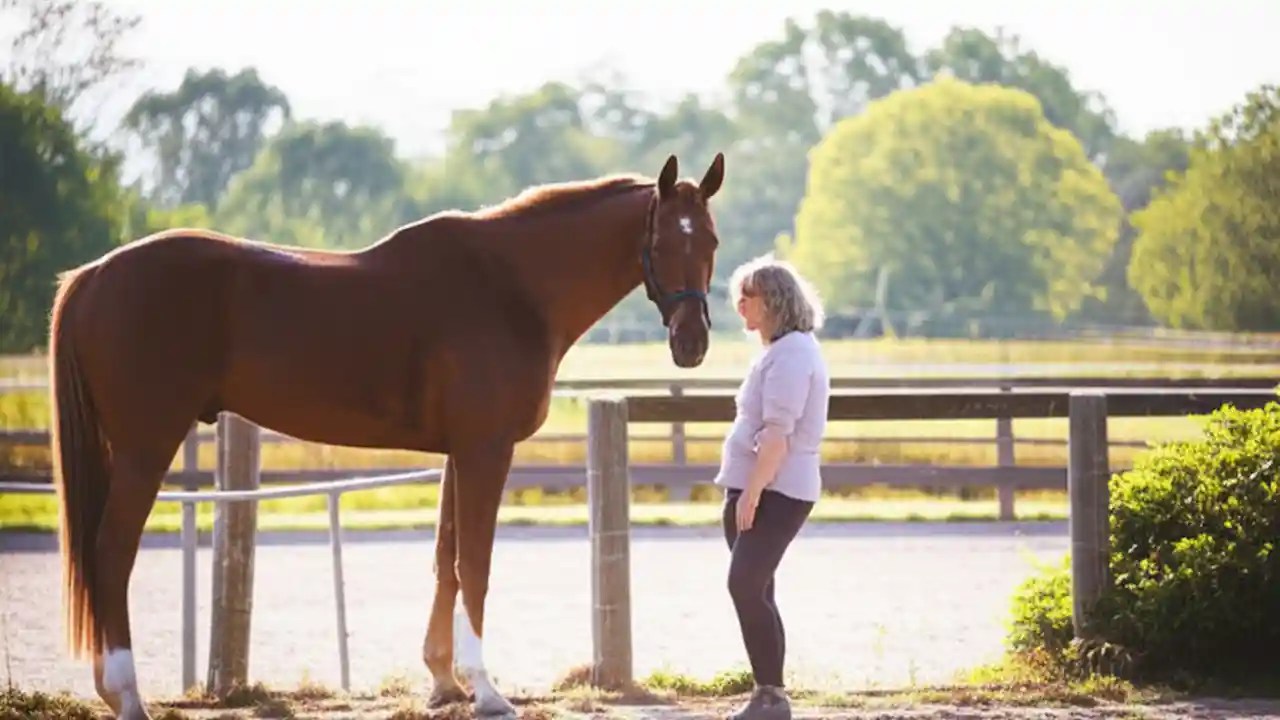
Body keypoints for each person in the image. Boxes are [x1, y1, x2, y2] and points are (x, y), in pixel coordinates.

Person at [713, 254, 830, 720]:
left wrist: (753, 492)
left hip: (777, 490)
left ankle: (771, 696)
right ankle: (769, 695)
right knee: (757, 588)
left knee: (745, 584)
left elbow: (778, 435)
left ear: (774, 301)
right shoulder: (777, 352)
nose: (739, 305)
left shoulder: (794, 354)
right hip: (755, 487)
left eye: (749, 297)